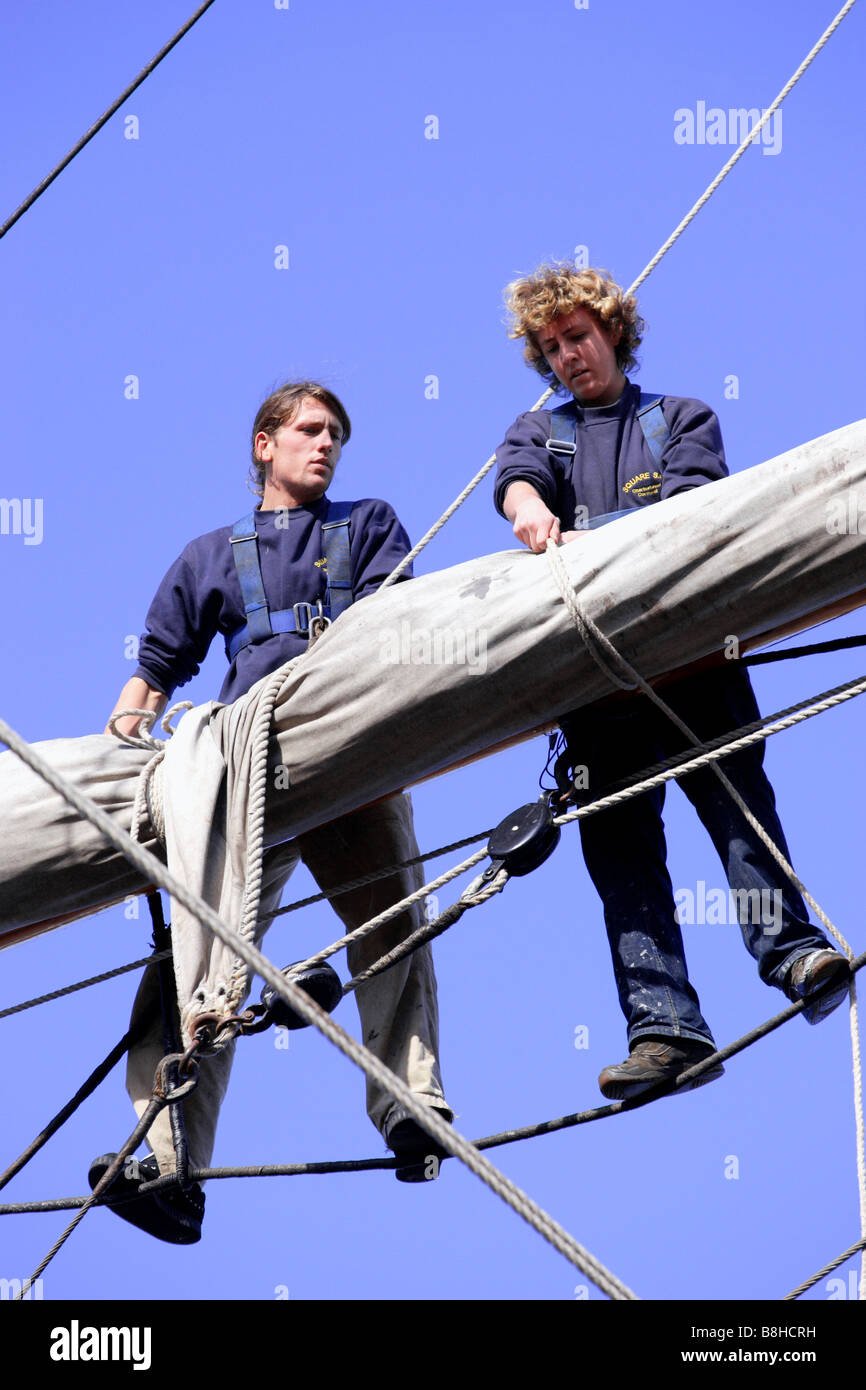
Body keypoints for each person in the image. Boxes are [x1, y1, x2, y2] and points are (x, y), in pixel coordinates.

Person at [91, 381, 453, 1242]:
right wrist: (118, 762)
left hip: (342, 731)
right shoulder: (210, 555)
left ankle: (412, 1108)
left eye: (334, 434)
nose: (325, 445)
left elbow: (395, 621)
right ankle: (170, 1162)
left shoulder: (366, 525)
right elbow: (149, 681)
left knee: (390, 916)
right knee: (197, 954)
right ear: (264, 445)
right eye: (307, 430)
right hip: (240, 755)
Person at [493, 262, 851, 1101]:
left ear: (613, 330)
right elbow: (517, 484)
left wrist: (587, 540)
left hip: (692, 660)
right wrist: (527, 511)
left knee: (736, 813)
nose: (568, 357)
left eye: (578, 337)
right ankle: (667, 1030)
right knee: (622, 856)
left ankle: (796, 957)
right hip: (598, 687)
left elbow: (688, 519)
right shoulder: (540, 434)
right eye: (551, 348)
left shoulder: (680, 418)